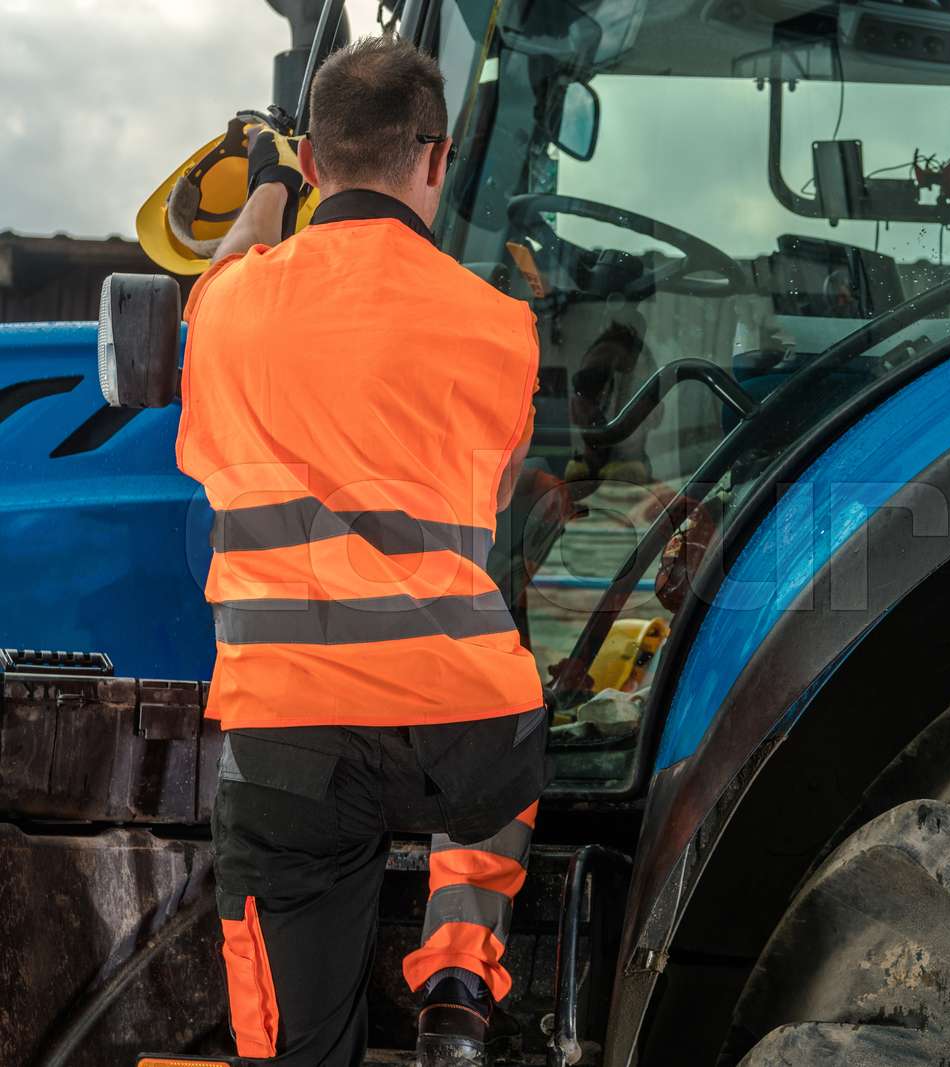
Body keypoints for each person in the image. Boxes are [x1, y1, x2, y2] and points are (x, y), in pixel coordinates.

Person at [177, 36, 549, 1067]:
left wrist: (264, 184)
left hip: (288, 732)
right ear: (432, 158)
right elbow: (497, 492)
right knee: (504, 721)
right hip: (462, 729)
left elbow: (225, 266)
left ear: (312, 159)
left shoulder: (229, 307)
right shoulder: (501, 326)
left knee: (296, 1039)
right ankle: (459, 985)